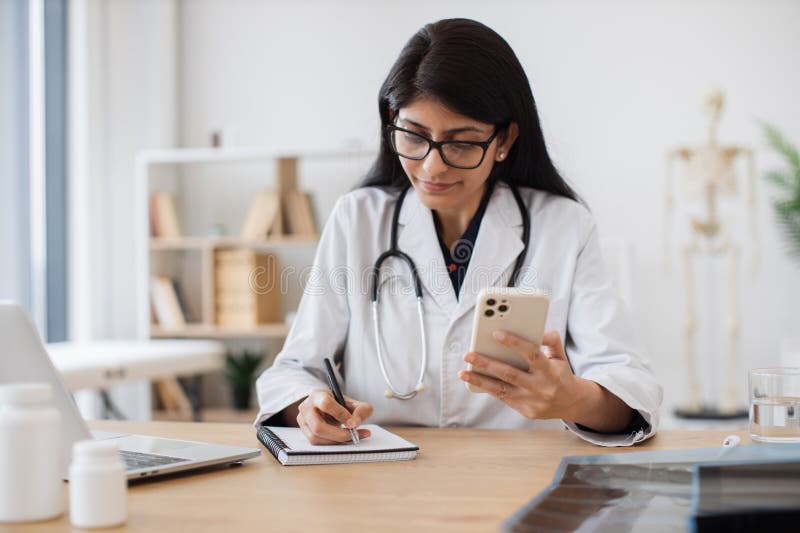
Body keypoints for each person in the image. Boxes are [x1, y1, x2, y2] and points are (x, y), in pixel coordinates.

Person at [254, 18, 661, 446]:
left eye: (461, 143)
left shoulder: (564, 226)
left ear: (504, 139)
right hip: (380, 481)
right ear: (392, 120)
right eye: (413, 136)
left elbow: (631, 385)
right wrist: (311, 403)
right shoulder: (357, 219)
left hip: (520, 484)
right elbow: (292, 371)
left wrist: (573, 398)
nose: (433, 167)